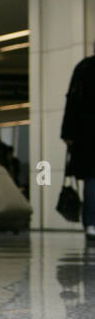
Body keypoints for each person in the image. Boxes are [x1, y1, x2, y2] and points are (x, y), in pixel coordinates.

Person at [61, 42, 95, 239]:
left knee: (91, 178)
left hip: (87, 133)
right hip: (87, 132)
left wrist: (68, 133)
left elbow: (72, 101)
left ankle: (91, 222)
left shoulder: (83, 68)